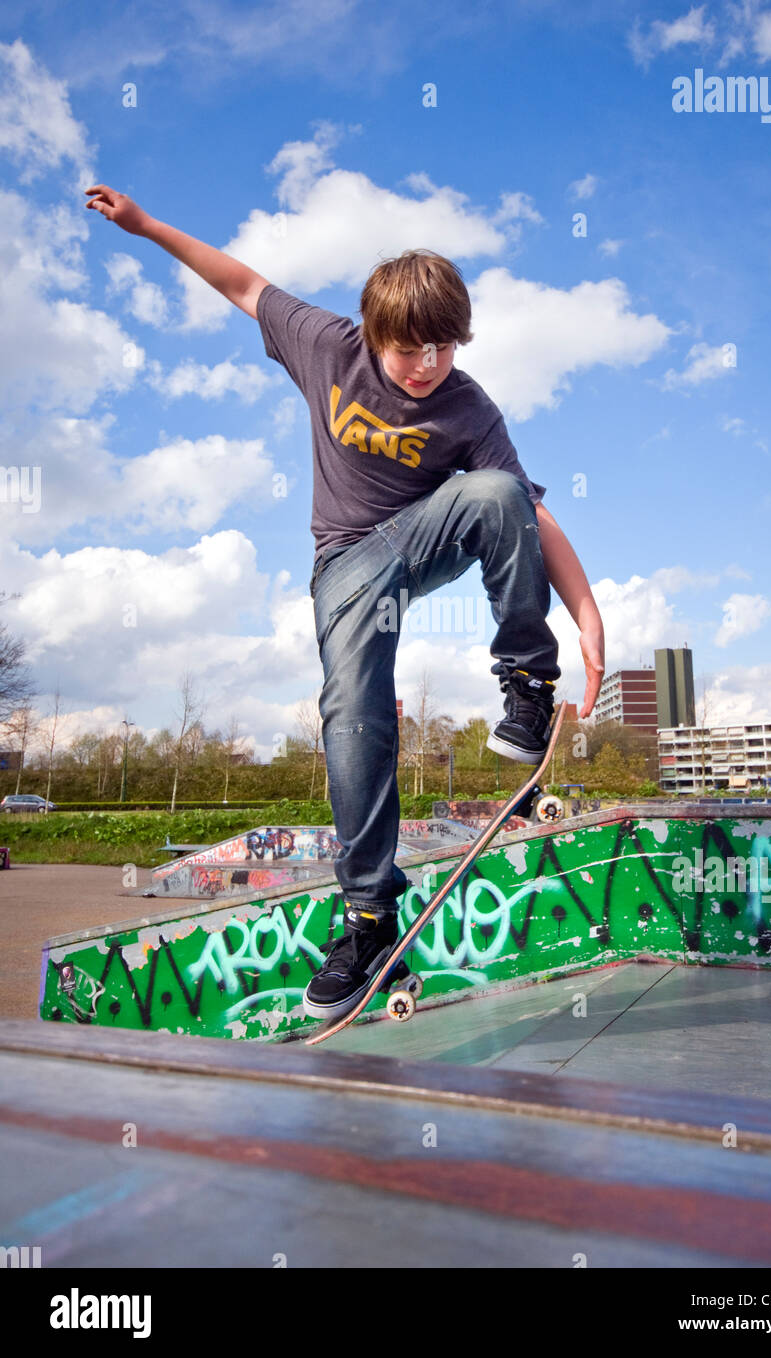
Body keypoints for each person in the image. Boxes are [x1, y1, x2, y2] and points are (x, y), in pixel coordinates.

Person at [84, 184, 606, 1019]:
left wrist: (583, 617)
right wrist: (145, 226)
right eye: (409, 351)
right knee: (355, 712)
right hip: (346, 570)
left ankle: (525, 689)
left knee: (499, 490)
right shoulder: (326, 346)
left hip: (423, 545)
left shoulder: (470, 406)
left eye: (441, 349)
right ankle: (367, 913)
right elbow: (242, 285)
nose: (426, 367)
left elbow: (525, 512)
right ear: (374, 334)